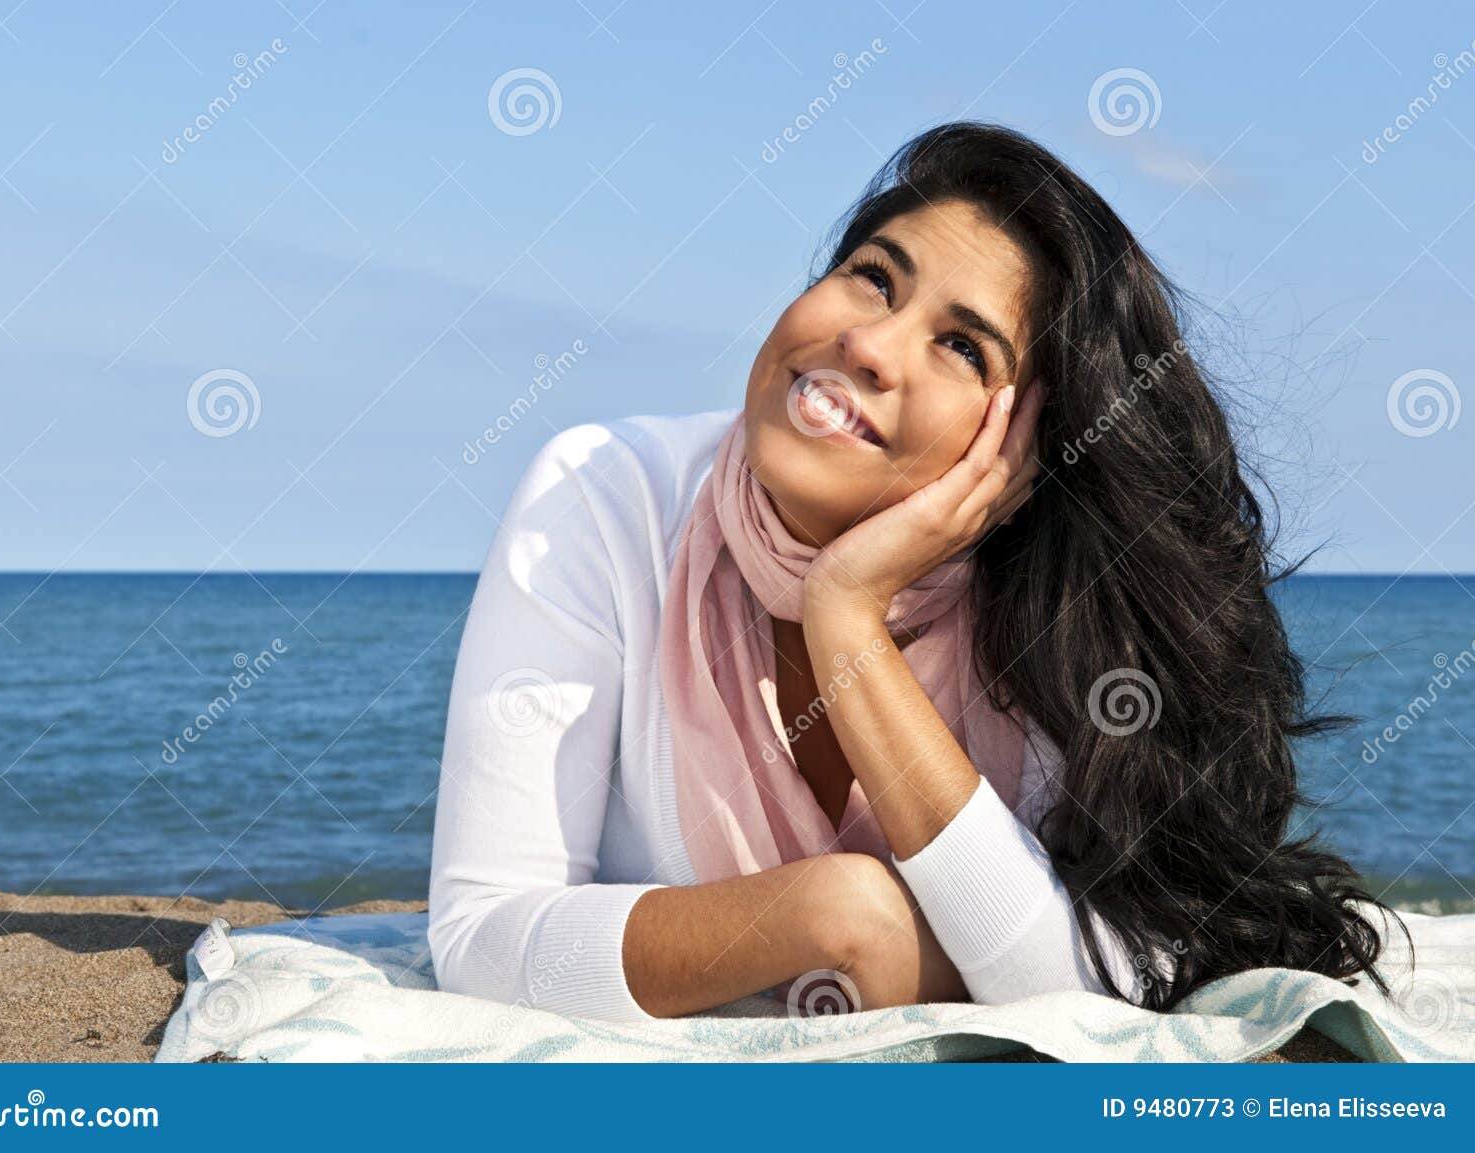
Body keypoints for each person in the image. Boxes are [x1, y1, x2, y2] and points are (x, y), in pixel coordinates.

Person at [427, 121, 1412, 1022]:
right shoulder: (607, 494)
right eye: (872, 277)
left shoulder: (1058, 615)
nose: (867, 343)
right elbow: (480, 939)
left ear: (1031, 447)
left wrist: (846, 612)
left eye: (959, 345)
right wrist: (835, 912)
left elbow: (1087, 988)